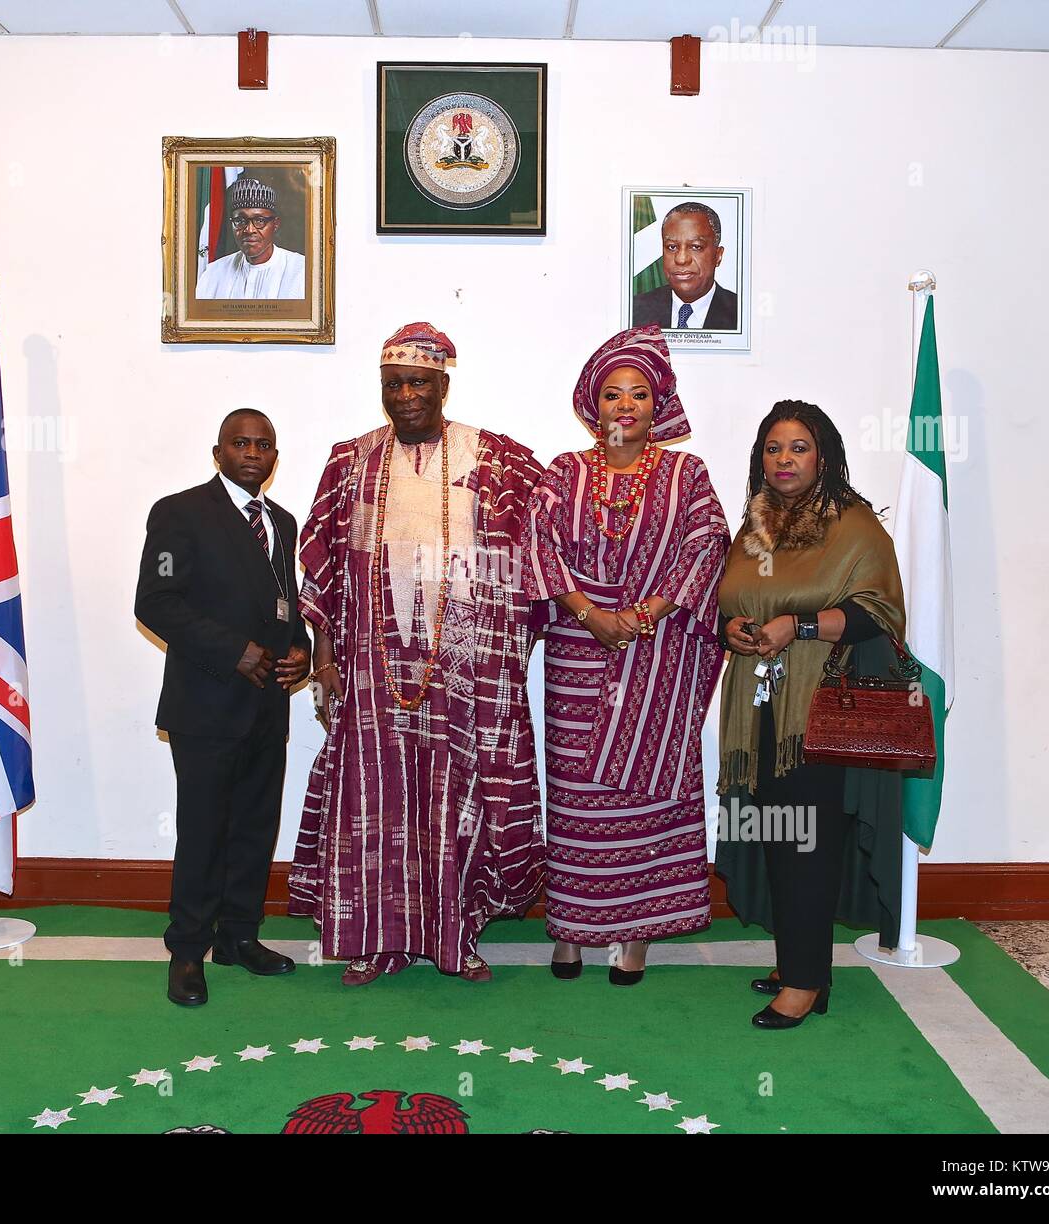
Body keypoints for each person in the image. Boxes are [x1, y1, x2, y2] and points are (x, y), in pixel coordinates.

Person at [288, 322, 547, 986]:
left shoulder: (494, 459)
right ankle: (381, 941)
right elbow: (320, 569)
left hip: (463, 661)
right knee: (376, 800)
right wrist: (324, 661)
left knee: (454, 793)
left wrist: (509, 638)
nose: (404, 395)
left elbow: (549, 539)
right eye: (393, 384)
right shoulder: (351, 461)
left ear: (443, 385)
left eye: (417, 383)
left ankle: (454, 937)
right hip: (374, 662)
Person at [523, 325, 730, 985]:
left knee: (639, 798)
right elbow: (538, 550)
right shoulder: (564, 471)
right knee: (579, 798)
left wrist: (640, 615)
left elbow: (707, 547)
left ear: (658, 403)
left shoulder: (686, 473)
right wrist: (591, 614)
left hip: (658, 654)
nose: (626, 406)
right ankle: (573, 929)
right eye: (613, 394)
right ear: (593, 403)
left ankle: (634, 934)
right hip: (578, 658)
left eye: (639, 394)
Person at [714, 401, 906, 1029]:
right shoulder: (756, 529)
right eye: (773, 448)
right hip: (760, 705)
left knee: (809, 843)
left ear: (824, 454)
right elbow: (735, 602)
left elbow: (876, 613)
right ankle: (797, 962)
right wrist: (734, 631)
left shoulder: (853, 526)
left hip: (817, 710)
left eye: (798, 447)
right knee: (774, 834)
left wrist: (792, 626)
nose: (784, 460)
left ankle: (805, 983)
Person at [135, 409, 311, 1006]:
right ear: (218, 452)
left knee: (255, 828)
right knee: (204, 831)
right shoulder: (178, 514)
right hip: (206, 706)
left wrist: (302, 655)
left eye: (265, 445)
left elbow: (285, 606)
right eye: (241, 443)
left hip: (267, 707)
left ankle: (240, 936)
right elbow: (155, 602)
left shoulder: (281, 523)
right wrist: (232, 650)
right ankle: (187, 951)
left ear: (275, 457)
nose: (253, 453)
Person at [631, 201, 738, 331]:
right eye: (672, 247)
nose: (681, 259)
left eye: (696, 247)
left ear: (718, 256)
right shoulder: (635, 310)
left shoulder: (741, 312)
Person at [195, 177, 306, 300]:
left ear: (275, 224)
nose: (249, 230)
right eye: (240, 221)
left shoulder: (302, 272)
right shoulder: (213, 273)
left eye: (259, 220)